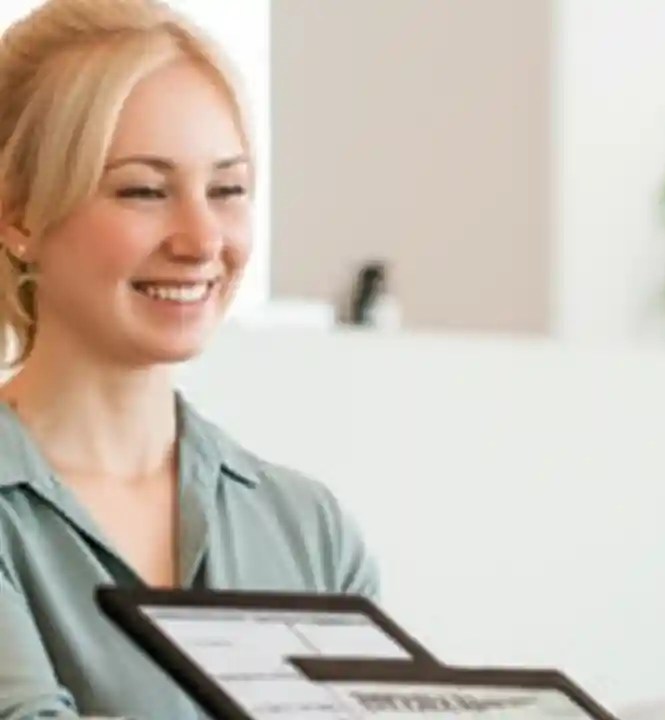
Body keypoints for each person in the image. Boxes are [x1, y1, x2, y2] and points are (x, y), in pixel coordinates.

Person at [0, 1, 379, 717]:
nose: (203, 239)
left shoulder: (308, 529)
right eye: (144, 190)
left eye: (227, 190)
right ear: (19, 215)